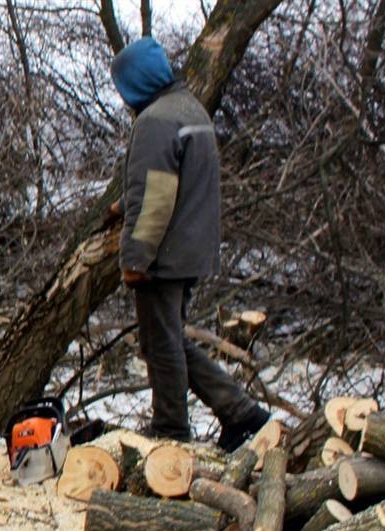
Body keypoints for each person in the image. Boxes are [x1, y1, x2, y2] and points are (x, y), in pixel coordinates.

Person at [109, 37, 269, 451]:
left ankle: (171, 429)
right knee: (170, 340)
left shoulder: (155, 120)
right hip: (192, 248)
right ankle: (240, 412)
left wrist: (135, 257)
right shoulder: (189, 109)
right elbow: (173, 183)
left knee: (161, 346)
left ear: (134, 81)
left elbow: (157, 196)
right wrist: (121, 204)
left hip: (164, 253)